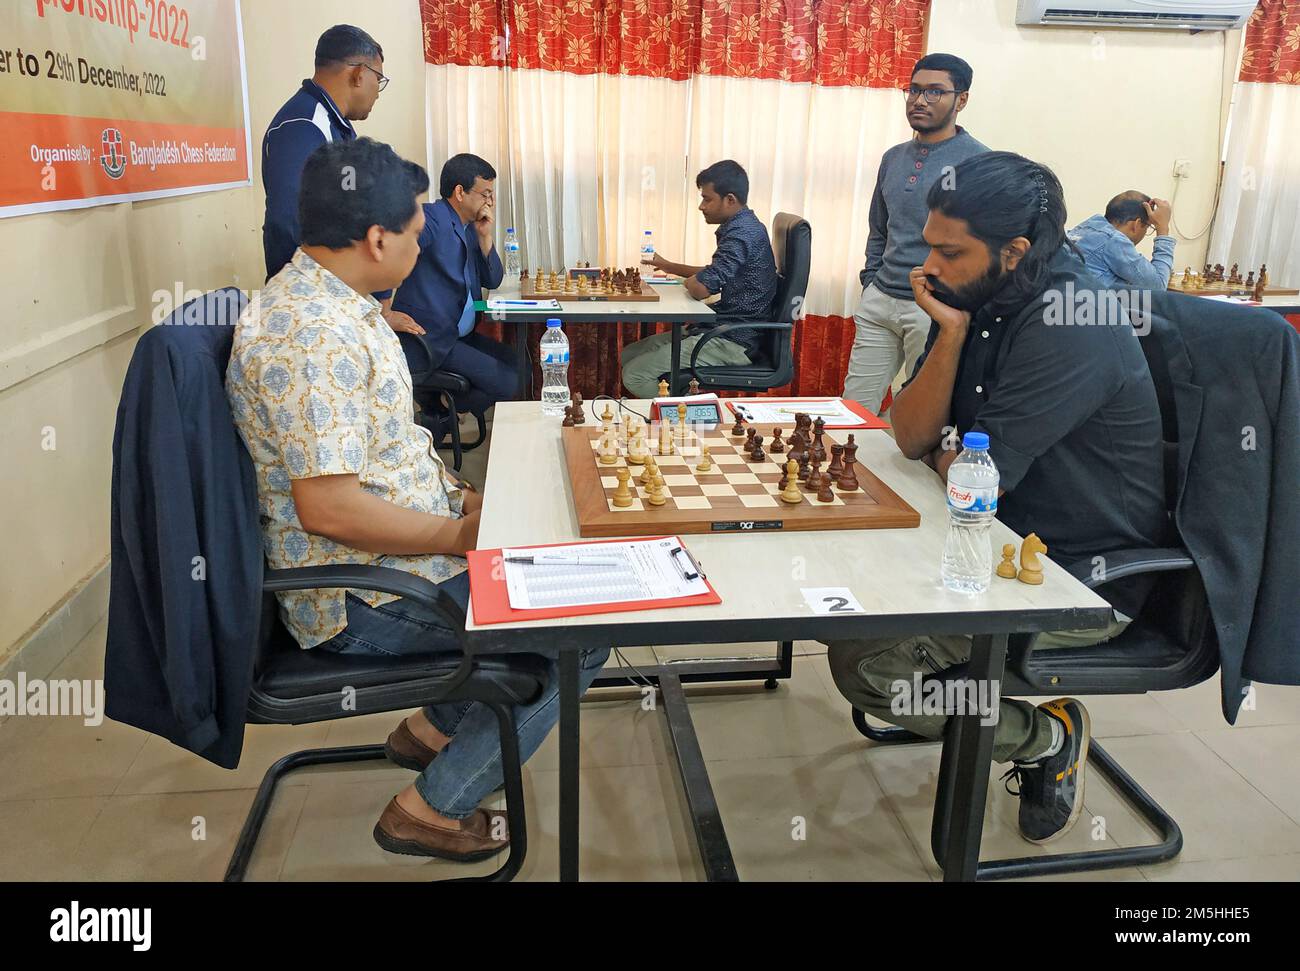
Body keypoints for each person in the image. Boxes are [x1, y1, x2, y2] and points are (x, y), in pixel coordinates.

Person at [227, 137, 609, 862]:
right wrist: (458, 535)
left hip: (398, 561)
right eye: (415, 231)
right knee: (582, 630)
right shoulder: (315, 336)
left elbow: (381, 451)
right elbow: (331, 510)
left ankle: (436, 724)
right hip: (365, 595)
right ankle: (431, 806)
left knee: (556, 545)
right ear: (377, 239)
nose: (423, 240)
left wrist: (464, 501)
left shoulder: (335, 298)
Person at [823, 152, 1166, 845]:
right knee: (841, 604)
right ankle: (1003, 716)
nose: (929, 267)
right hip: (986, 540)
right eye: (928, 245)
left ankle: (1043, 735)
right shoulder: (980, 301)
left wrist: (951, 453)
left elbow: (968, 480)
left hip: (1073, 577)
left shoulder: (1074, 321)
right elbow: (915, 434)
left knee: (871, 666)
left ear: (1014, 251)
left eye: (950, 252)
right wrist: (946, 334)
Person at [843, 53, 989, 416]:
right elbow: (879, 227)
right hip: (881, 299)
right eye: (914, 89)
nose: (920, 100)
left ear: (962, 99)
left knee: (919, 416)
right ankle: (849, 474)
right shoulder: (893, 157)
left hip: (934, 306)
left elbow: (981, 246)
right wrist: (870, 282)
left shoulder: (979, 162)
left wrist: (951, 301)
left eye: (935, 92)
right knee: (854, 409)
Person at [260, 24, 418, 335]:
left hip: (337, 299)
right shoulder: (304, 125)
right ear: (359, 73)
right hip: (310, 307)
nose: (377, 92)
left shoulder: (337, 127)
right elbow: (289, 220)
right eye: (379, 80)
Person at [624, 159, 778, 398]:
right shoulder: (745, 226)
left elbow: (701, 288)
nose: (701, 206)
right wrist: (669, 266)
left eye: (707, 199)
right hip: (722, 327)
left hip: (735, 340)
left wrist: (692, 281)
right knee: (629, 355)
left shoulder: (741, 234)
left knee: (635, 374)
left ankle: (678, 422)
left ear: (730, 200)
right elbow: (713, 272)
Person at [393, 153, 518, 418]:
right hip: (432, 339)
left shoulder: (470, 228)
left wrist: (485, 237)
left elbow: (493, 279)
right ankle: (436, 414)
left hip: (459, 335)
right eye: (485, 194)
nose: (490, 202)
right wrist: (383, 313)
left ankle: (438, 408)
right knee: (508, 382)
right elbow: (389, 253)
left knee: (521, 365)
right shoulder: (432, 218)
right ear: (460, 192)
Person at [1068, 191, 1176, 290]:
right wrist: (1162, 228)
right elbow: (1159, 286)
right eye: (1147, 227)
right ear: (1136, 224)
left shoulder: (1087, 227)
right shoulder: (1114, 241)